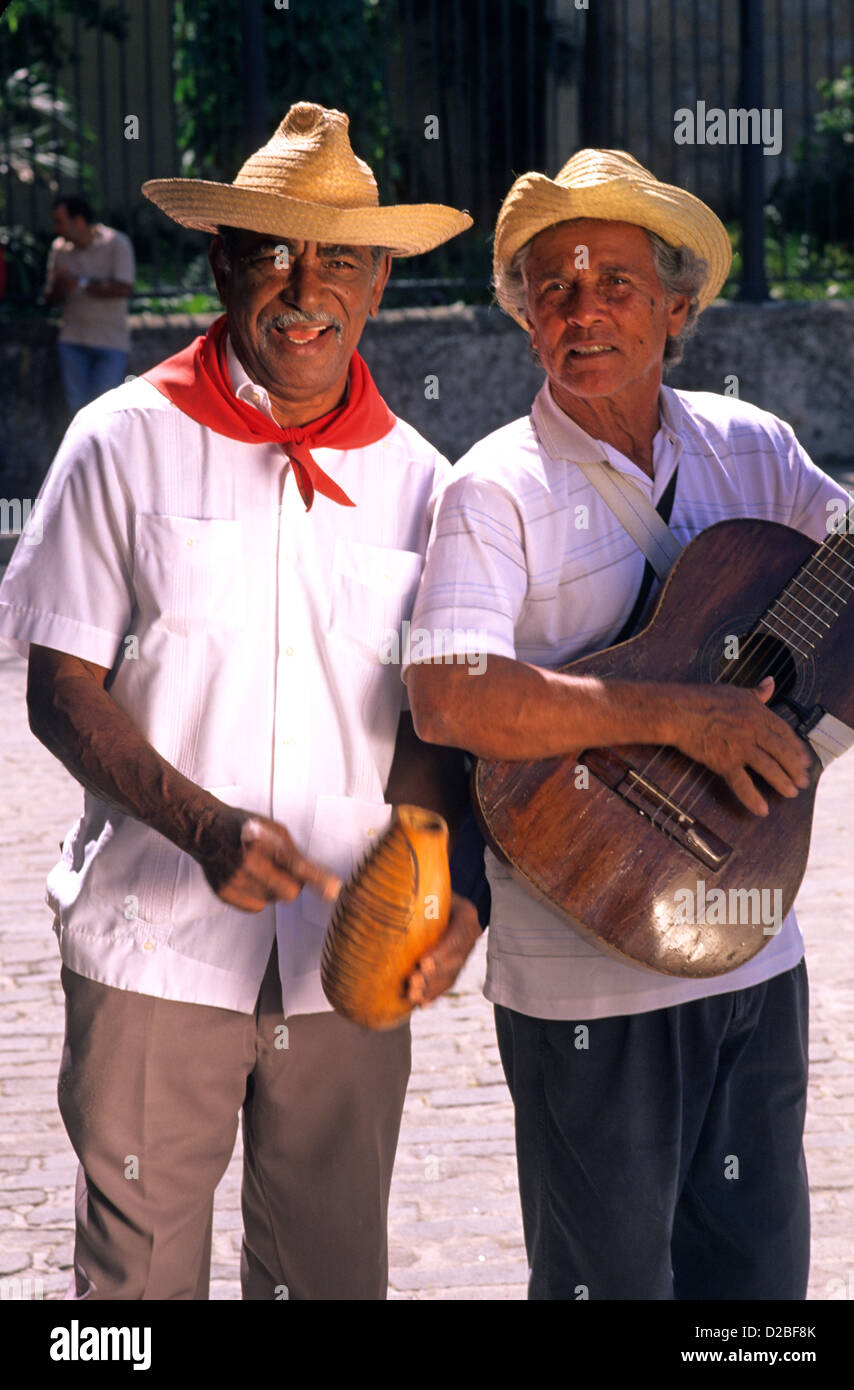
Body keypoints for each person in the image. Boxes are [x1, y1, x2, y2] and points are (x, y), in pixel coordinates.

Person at [0, 102, 480, 1301]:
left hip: (344, 967)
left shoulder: (425, 484)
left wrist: (436, 890)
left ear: (378, 282)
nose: (305, 286)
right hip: (152, 948)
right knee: (128, 1291)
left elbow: (431, 724)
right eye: (274, 249)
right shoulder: (118, 440)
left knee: (330, 1278)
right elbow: (60, 689)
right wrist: (202, 825)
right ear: (220, 261)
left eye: (339, 257)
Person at [404, 148, 853, 1300]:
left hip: (752, 935)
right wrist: (684, 720)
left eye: (613, 283)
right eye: (551, 286)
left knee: (756, 1289)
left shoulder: (753, 451)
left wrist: (795, 749)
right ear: (522, 321)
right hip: (582, 970)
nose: (581, 308)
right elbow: (449, 694)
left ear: (676, 308)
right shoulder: (491, 485)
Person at [44, 194, 136, 412]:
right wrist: (58, 285)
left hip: (110, 342)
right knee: (76, 409)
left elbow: (125, 288)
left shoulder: (117, 243)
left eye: (60, 222)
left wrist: (80, 284)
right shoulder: (59, 248)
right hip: (72, 341)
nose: (56, 228)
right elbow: (49, 299)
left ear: (79, 221)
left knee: (106, 411)